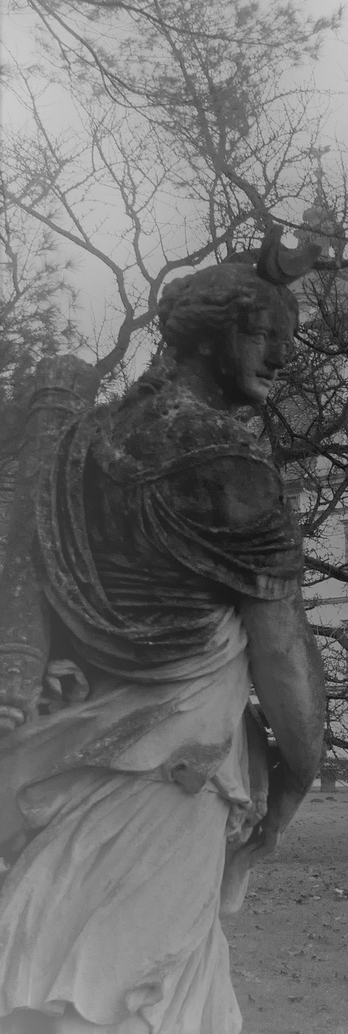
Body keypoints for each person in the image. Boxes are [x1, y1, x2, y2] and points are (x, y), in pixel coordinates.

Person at [0, 239, 325, 1034]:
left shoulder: (75, 446)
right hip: (172, 765)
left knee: (53, 946)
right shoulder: (233, 465)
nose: (280, 359)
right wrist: (302, 769)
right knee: (140, 979)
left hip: (68, 748)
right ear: (215, 335)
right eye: (267, 337)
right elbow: (280, 647)